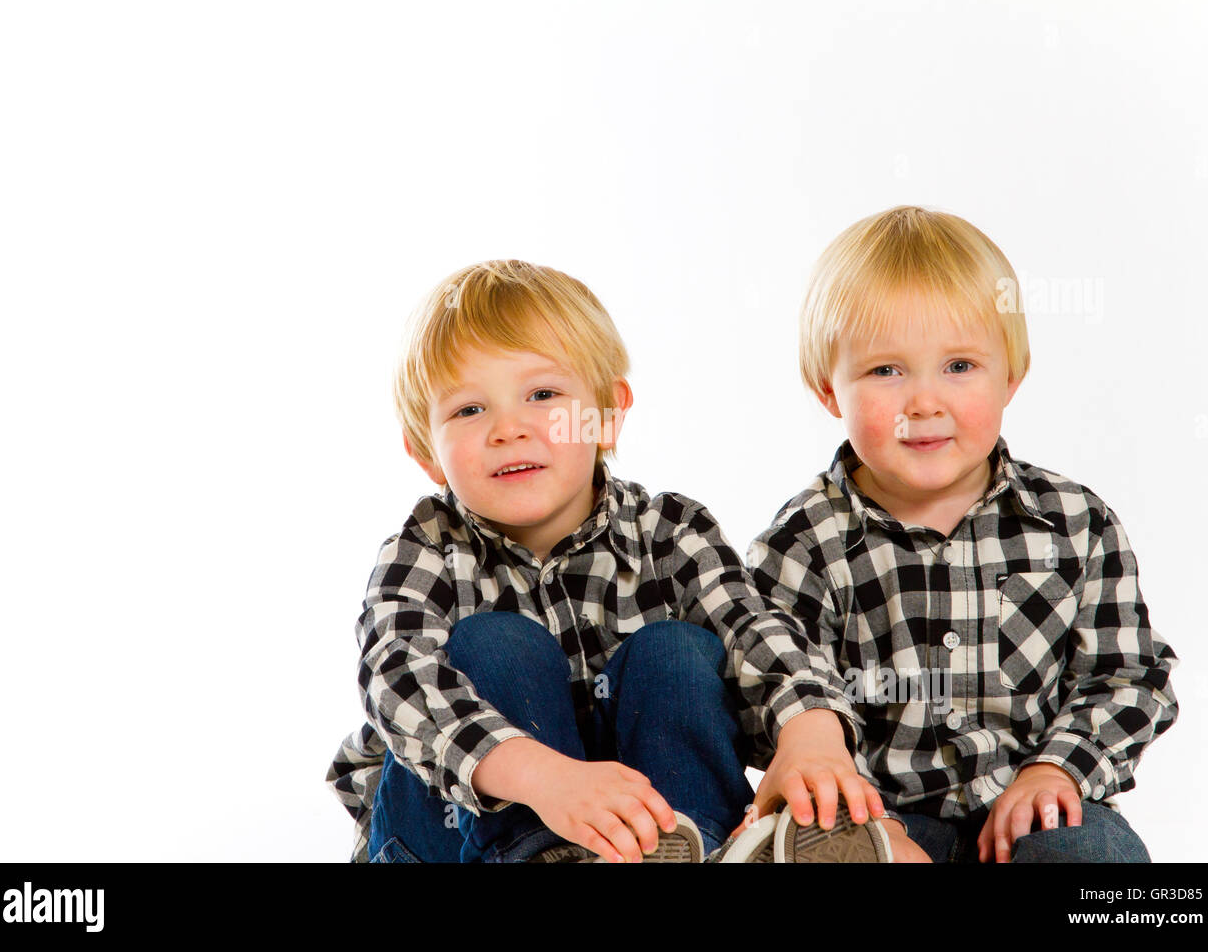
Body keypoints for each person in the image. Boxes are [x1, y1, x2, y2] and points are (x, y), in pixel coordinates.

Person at [325, 259, 890, 863]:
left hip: (631, 827)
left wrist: (812, 735)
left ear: (606, 413)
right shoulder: (425, 548)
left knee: (675, 651)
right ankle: (542, 854)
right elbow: (396, 677)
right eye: (469, 410)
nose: (509, 428)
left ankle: (689, 843)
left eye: (542, 395)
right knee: (498, 645)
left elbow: (756, 630)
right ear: (425, 452)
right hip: (446, 835)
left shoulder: (670, 532)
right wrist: (541, 777)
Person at [747, 206, 1179, 862]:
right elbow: (779, 689)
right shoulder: (804, 541)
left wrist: (1056, 769)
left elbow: (1128, 674)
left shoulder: (1073, 523)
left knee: (1094, 863)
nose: (925, 402)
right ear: (827, 389)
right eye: (886, 371)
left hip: (1036, 805)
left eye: (959, 366)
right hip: (878, 815)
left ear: (1011, 377)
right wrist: (857, 812)